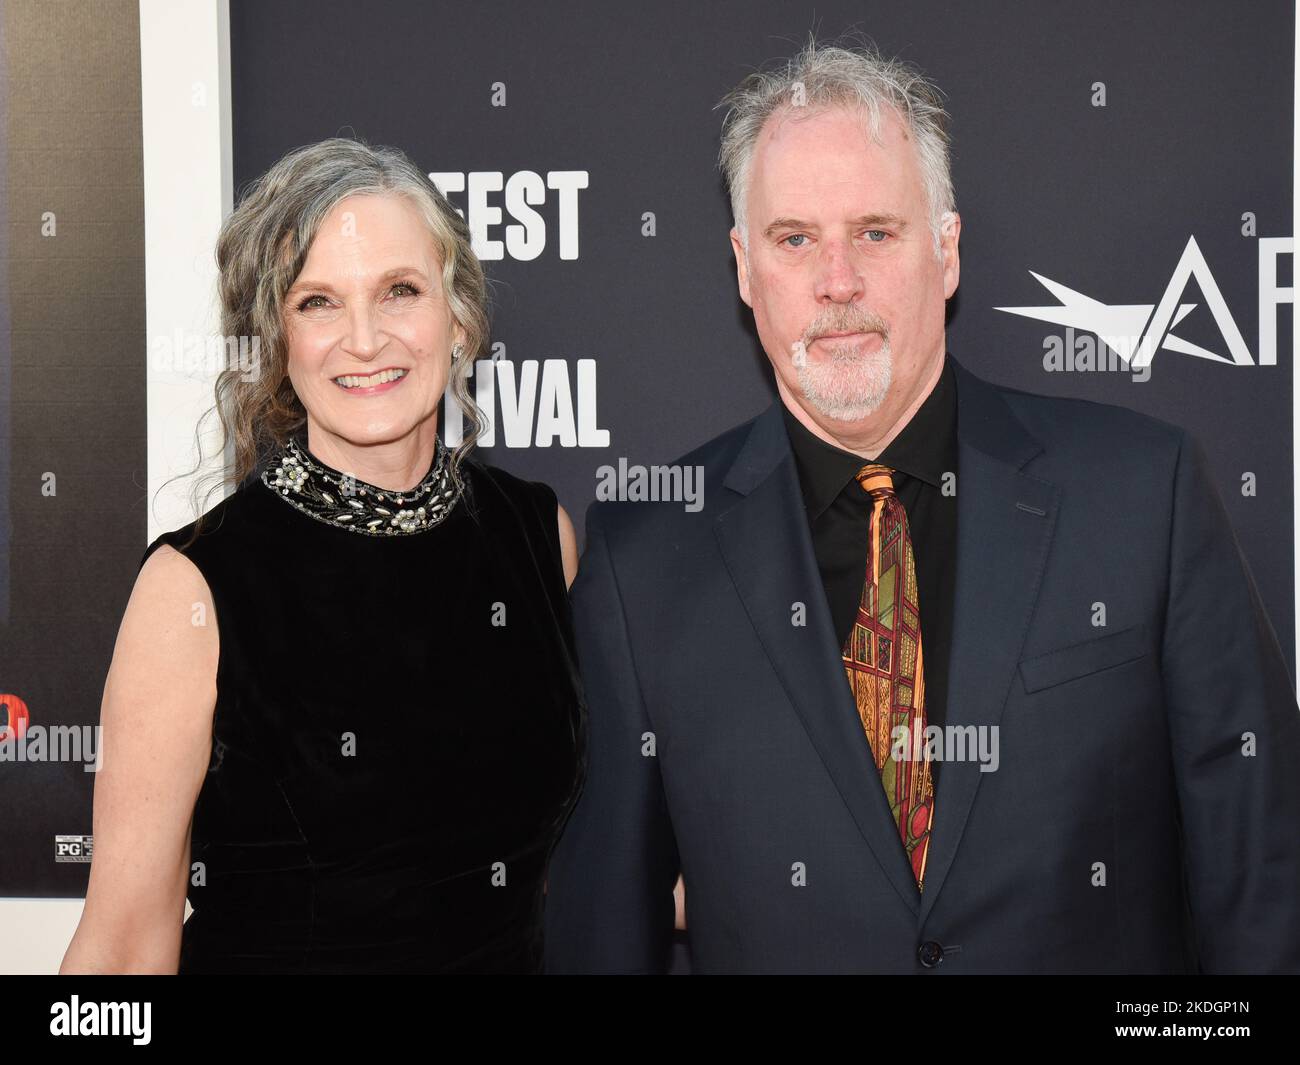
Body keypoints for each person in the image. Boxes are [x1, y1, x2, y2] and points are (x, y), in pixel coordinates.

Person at [543, 39, 1300, 973]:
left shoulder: (1145, 494)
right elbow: (601, 936)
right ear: (745, 269)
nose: (838, 281)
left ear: (945, 250)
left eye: (875, 231)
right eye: (794, 239)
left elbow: (1263, 875)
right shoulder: (643, 560)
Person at [60, 138, 585, 974]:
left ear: (457, 320)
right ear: (278, 338)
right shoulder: (195, 591)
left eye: (400, 291)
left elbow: (573, 867)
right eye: (318, 303)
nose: (365, 339)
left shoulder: (535, 535)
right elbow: (123, 948)